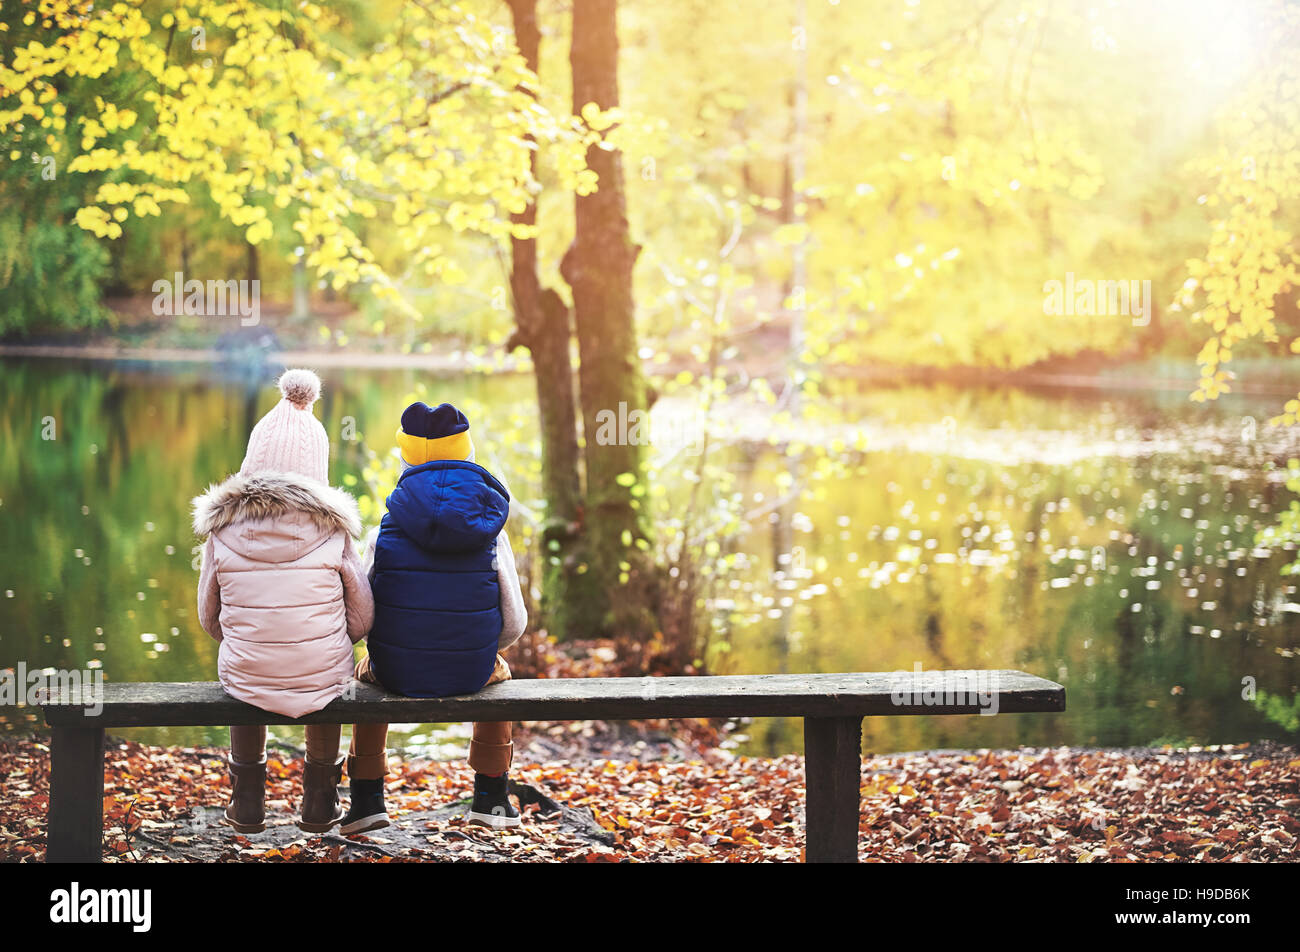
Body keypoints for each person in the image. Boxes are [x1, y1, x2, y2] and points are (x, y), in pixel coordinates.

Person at [193, 369, 374, 834]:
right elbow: (363, 615)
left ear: (252, 460)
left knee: (245, 672)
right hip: (320, 667)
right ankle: (319, 799)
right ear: (319, 466)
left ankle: (247, 799)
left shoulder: (221, 529)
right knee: (329, 674)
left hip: (247, 667)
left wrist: (242, 633)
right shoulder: (335, 529)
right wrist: (332, 635)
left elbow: (208, 617)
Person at [342, 400, 527, 834]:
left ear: (406, 457)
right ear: (468, 453)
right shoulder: (491, 532)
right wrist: (475, 643)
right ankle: (490, 797)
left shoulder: (382, 529)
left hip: (396, 671)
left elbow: (365, 617)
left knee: (365, 675)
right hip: (471, 669)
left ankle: (366, 801)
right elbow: (514, 624)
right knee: (503, 675)